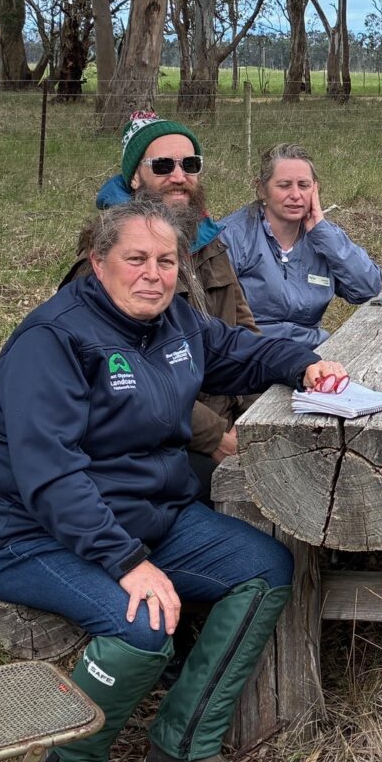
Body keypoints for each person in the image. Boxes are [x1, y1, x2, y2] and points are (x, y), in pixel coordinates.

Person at [0, 197, 353, 762]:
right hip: (33, 536)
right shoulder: (52, 342)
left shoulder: (174, 321)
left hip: (146, 518)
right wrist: (127, 563)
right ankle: (74, 761)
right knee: (142, 624)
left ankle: (181, 746)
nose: (153, 273)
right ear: (97, 263)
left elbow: (237, 352)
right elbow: (51, 477)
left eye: (166, 261)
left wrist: (302, 363)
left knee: (264, 570)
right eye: (136, 259)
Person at [72, 113, 256, 498]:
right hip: (156, 440)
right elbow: (134, 378)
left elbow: (244, 332)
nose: (178, 176)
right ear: (135, 177)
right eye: (162, 165)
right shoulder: (110, 259)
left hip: (228, 417)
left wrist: (262, 410)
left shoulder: (206, 237)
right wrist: (216, 437)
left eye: (189, 164)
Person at [216, 144, 382, 351]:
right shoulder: (230, 236)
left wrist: (324, 235)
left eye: (303, 185)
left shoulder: (324, 237)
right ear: (261, 188)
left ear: (315, 189)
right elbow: (216, 318)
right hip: (253, 355)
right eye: (284, 185)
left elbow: (367, 289)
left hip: (314, 351)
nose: (295, 195)